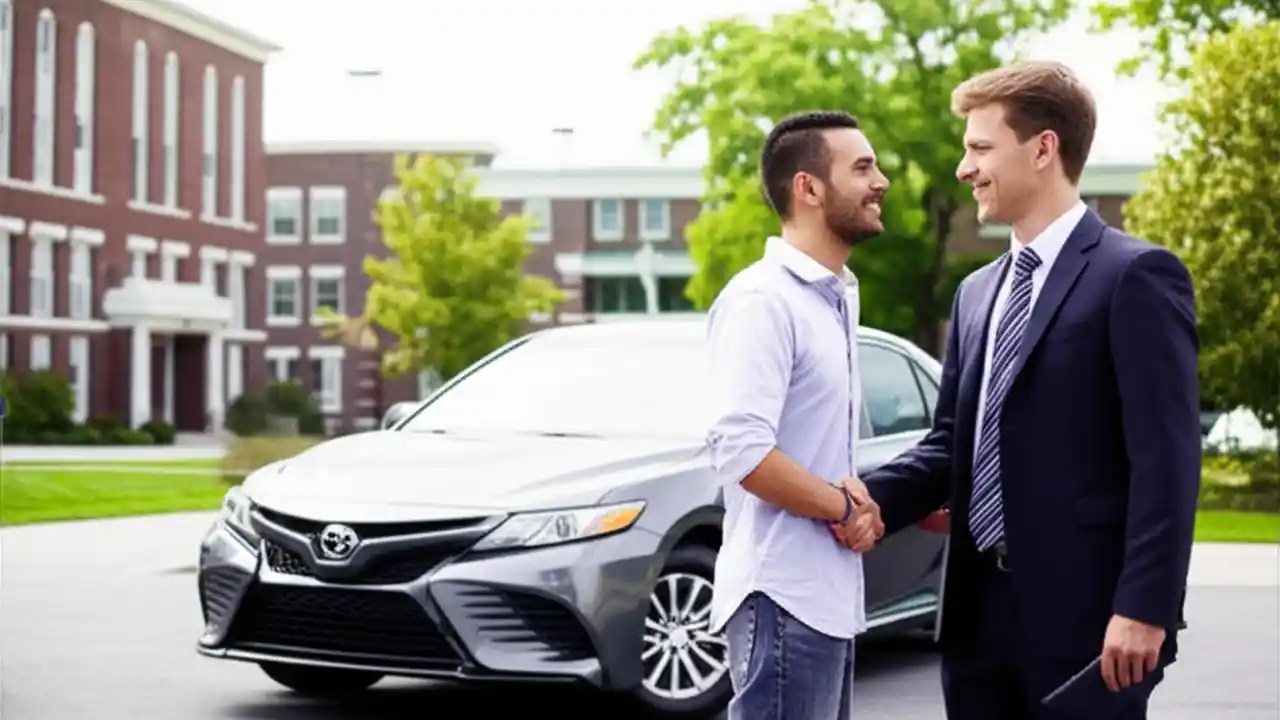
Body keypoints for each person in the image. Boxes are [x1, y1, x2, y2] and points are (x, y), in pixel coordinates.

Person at [861, 61, 1200, 719]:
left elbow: (1168, 462)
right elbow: (950, 448)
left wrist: (1144, 608)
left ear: (1044, 148)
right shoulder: (976, 292)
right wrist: (857, 499)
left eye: (980, 147)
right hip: (974, 619)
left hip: (1091, 626)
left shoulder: (1137, 277)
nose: (965, 168)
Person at [704, 109, 888, 720]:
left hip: (824, 598)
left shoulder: (834, 297)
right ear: (808, 188)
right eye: (863, 167)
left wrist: (859, 502)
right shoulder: (763, 300)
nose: (881, 181)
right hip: (781, 595)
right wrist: (843, 508)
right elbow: (743, 454)